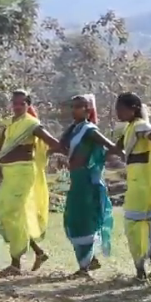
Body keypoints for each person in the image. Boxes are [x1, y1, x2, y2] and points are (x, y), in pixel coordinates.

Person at [0, 90, 63, 276]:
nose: (16, 106)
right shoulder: (9, 125)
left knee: (14, 213)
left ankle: (15, 264)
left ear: (28, 105)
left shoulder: (32, 125)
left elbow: (54, 143)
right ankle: (38, 253)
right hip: (9, 174)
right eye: (14, 103)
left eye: (21, 103)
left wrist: (44, 155)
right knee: (6, 211)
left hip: (24, 173)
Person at [61, 94, 119, 279]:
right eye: (73, 106)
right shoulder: (74, 130)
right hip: (76, 180)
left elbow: (111, 147)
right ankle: (89, 260)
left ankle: (84, 267)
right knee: (72, 219)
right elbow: (63, 147)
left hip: (87, 180)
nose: (74, 110)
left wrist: (99, 161)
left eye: (79, 106)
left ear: (88, 110)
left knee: (83, 220)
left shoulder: (89, 130)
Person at [113, 92, 151, 280]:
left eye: (121, 109)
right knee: (140, 225)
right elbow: (117, 149)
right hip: (136, 182)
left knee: (136, 223)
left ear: (133, 108)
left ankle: (141, 269)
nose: (117, 113)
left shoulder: (141, 127)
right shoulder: (129, 129)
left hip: (146, 183)